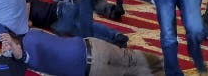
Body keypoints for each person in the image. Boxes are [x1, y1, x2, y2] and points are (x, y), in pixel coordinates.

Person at [16, 29, 163, 76]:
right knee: (133, 58)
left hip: (93, 70)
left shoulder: (25, 62)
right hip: (93, 47)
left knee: (130, 71)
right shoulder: (32, 34)